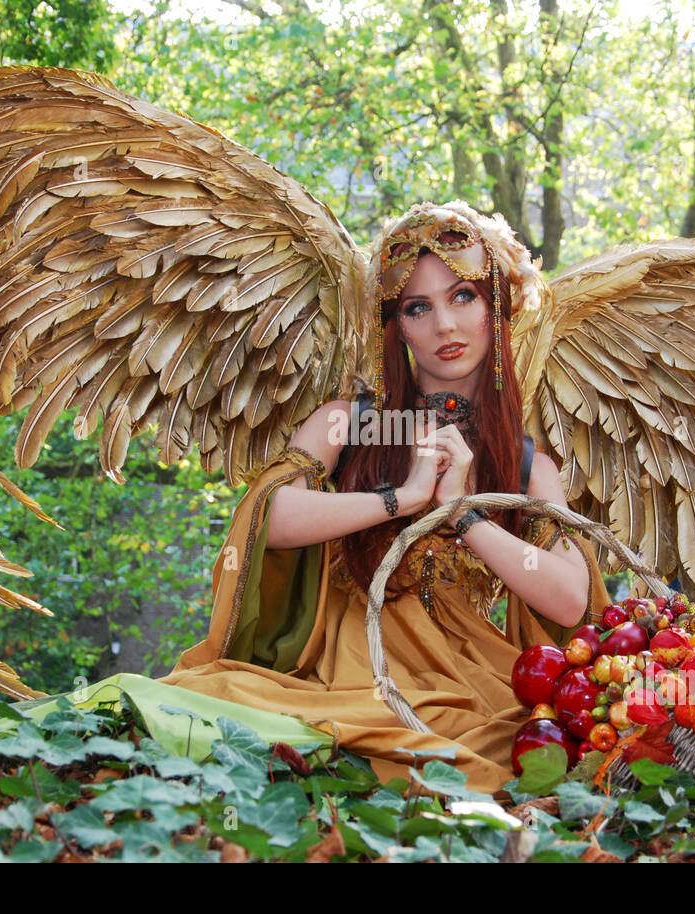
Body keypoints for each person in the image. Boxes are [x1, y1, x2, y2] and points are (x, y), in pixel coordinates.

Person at [160, 203, 615, 793]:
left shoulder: (527, 466)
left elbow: (569, 596)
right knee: (200, 699)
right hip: (345, 673)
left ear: (495, 308)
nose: (444, 326)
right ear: (396, 327)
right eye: (417, 308)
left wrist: (465, 513)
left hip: (472, 682)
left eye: (463, 297)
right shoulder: (346, 425)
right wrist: (401, 497)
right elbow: (270, 519)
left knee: (544, 753)